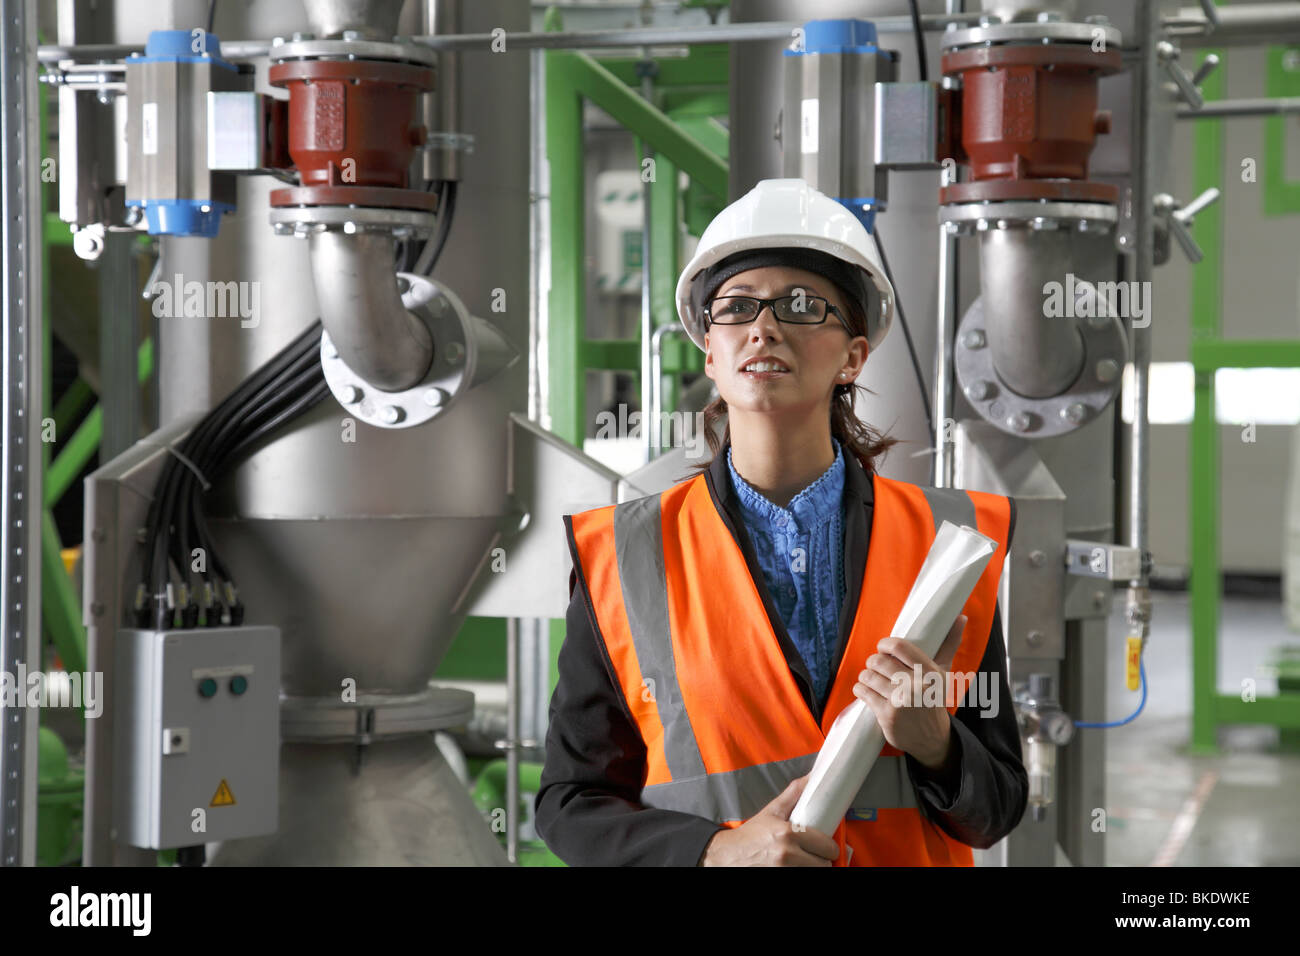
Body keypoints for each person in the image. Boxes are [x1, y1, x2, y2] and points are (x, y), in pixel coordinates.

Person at [535, 178, 1028, 866]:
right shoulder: (626, 555)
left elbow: (997, 809)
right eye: (736, 308)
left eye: (801, 306)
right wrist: (717, 851)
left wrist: (933, 740)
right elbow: (569, 802)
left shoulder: (945, 548)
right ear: (710, 352)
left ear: (853, 357)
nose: (763, 326)